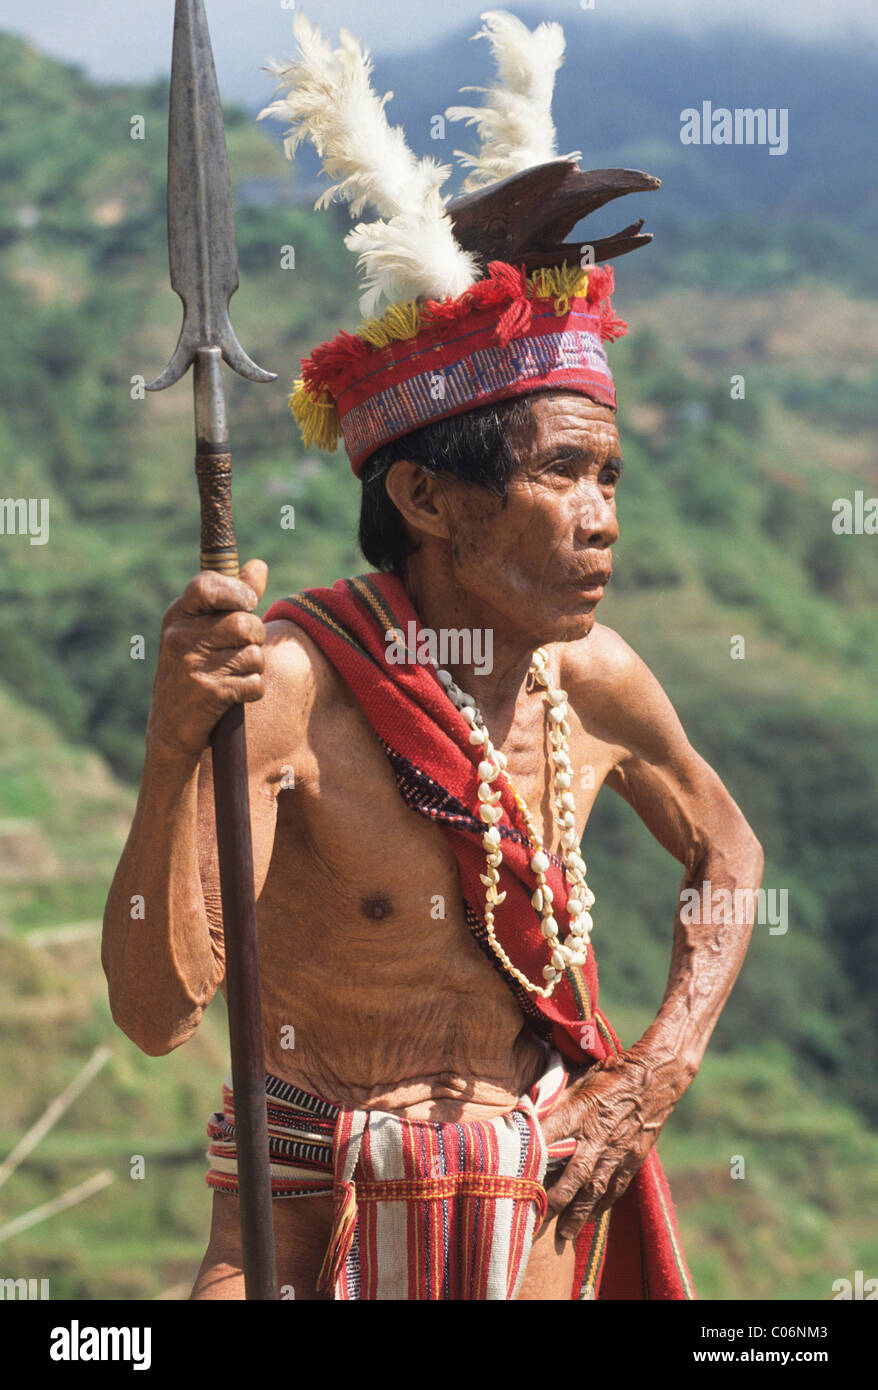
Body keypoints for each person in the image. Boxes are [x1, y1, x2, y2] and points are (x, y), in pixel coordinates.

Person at [102, 11, 763, 1300]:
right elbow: (152, 1009)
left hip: (540, 1209)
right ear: (428, 498)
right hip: (308, 1229)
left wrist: (657, 1071)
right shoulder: (289, 686)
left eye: (611, 474)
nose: (603, 515)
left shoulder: (597, 678)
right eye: (563, 472)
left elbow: (729, 851)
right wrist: (175, 746)